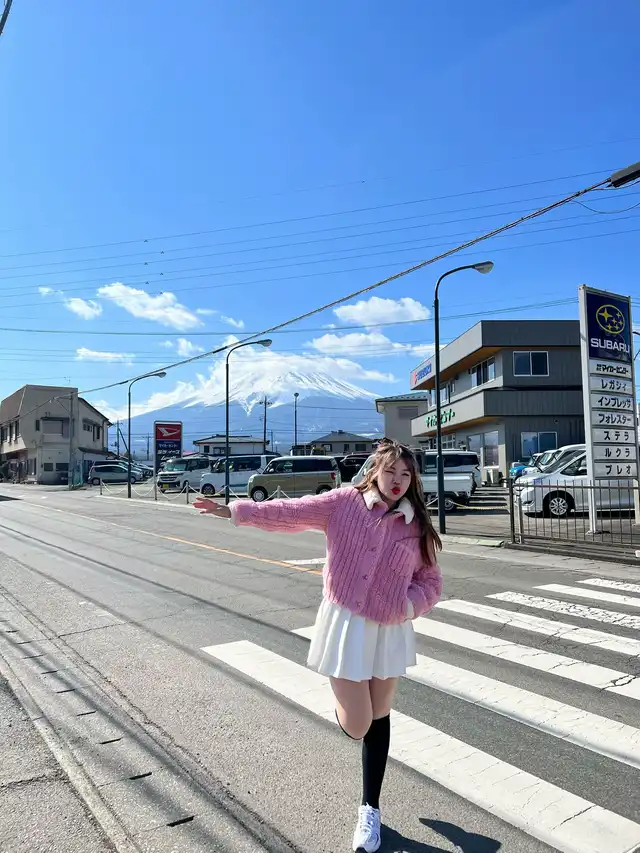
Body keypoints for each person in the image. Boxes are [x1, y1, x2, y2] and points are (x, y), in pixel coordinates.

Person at [193, 439, 442, 853]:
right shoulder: (343, 503)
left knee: (380, 717)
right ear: (373, 472)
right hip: (347, 623)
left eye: (405, 474)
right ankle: (345, 698)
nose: (397, 481)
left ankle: (370, 809)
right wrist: (236, 510)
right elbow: (290, 512)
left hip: (389, 627)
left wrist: (408, 605)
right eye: (390, 471)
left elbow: (430, 581)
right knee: (359, 724)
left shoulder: (415, 525)